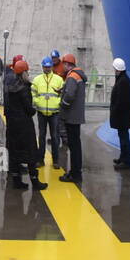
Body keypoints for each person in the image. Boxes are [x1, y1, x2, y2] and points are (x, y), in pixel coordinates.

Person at [3, 58, 46, 191]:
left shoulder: (10, 88)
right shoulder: (24, 88)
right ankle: (35, 181)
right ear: (24, 72)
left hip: (13, 125)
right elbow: (28, 108)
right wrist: (33, 111)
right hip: (24, 125)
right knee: (31, 153)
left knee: (15, 153)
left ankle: (17, 181)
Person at [58, 54, 86, 184]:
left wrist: (63, 104)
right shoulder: (78, 75)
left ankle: (75, 174)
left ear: (67, 64)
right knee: (76, 146)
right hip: (77, 116)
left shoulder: (72, 76)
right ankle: (76, 172)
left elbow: (70, 95)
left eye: (63, 64)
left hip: (71, 117)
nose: (62, 66)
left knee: (74, 147)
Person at [31, 57, 64, 167]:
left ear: (52, 67)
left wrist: (58, 103)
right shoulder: (37, 80)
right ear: (42, 67)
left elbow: (62, 94)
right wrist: (38, 102)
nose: (47, 69)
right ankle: (40, 160)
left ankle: (56, 161)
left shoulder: (58, 79)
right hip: (41, 112)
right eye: (45, 67)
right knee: (41, 136)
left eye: (49, 67)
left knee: (55, 137)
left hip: (54, 113)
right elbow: (33, 93)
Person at [109, 57, 130, 171]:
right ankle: (122, 158)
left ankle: (126, 162)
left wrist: (114, 111)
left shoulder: (123, 81)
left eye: (115, 69)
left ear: (118, 69)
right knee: (122, 138)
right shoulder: (122, 79)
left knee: (124, 139)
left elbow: (121, 101)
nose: (114, 71)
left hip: (122, 117)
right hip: (122, 116)